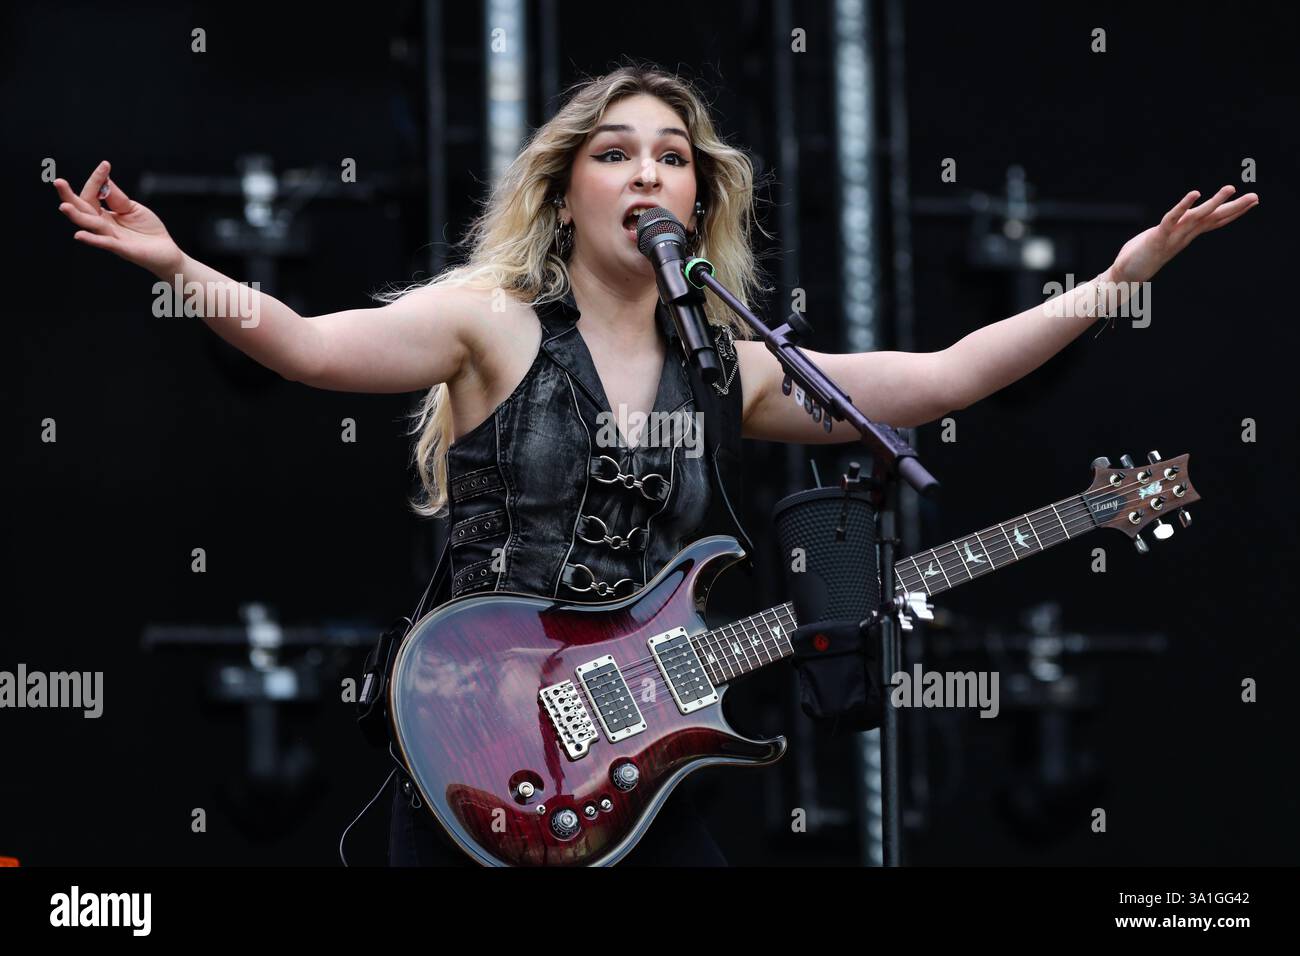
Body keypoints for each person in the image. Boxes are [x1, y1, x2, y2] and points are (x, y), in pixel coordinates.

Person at [53, 62, 1258, 866]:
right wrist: (174, 264)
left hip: (645, 769)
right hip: (483, 730)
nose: (647, 174)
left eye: (672, 157)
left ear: (698, 191)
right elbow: (308, 349)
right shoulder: (490, 323)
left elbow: (939, 377)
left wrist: (1118, 279)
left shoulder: (727, 363)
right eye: (617, 154)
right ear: (566, 189)